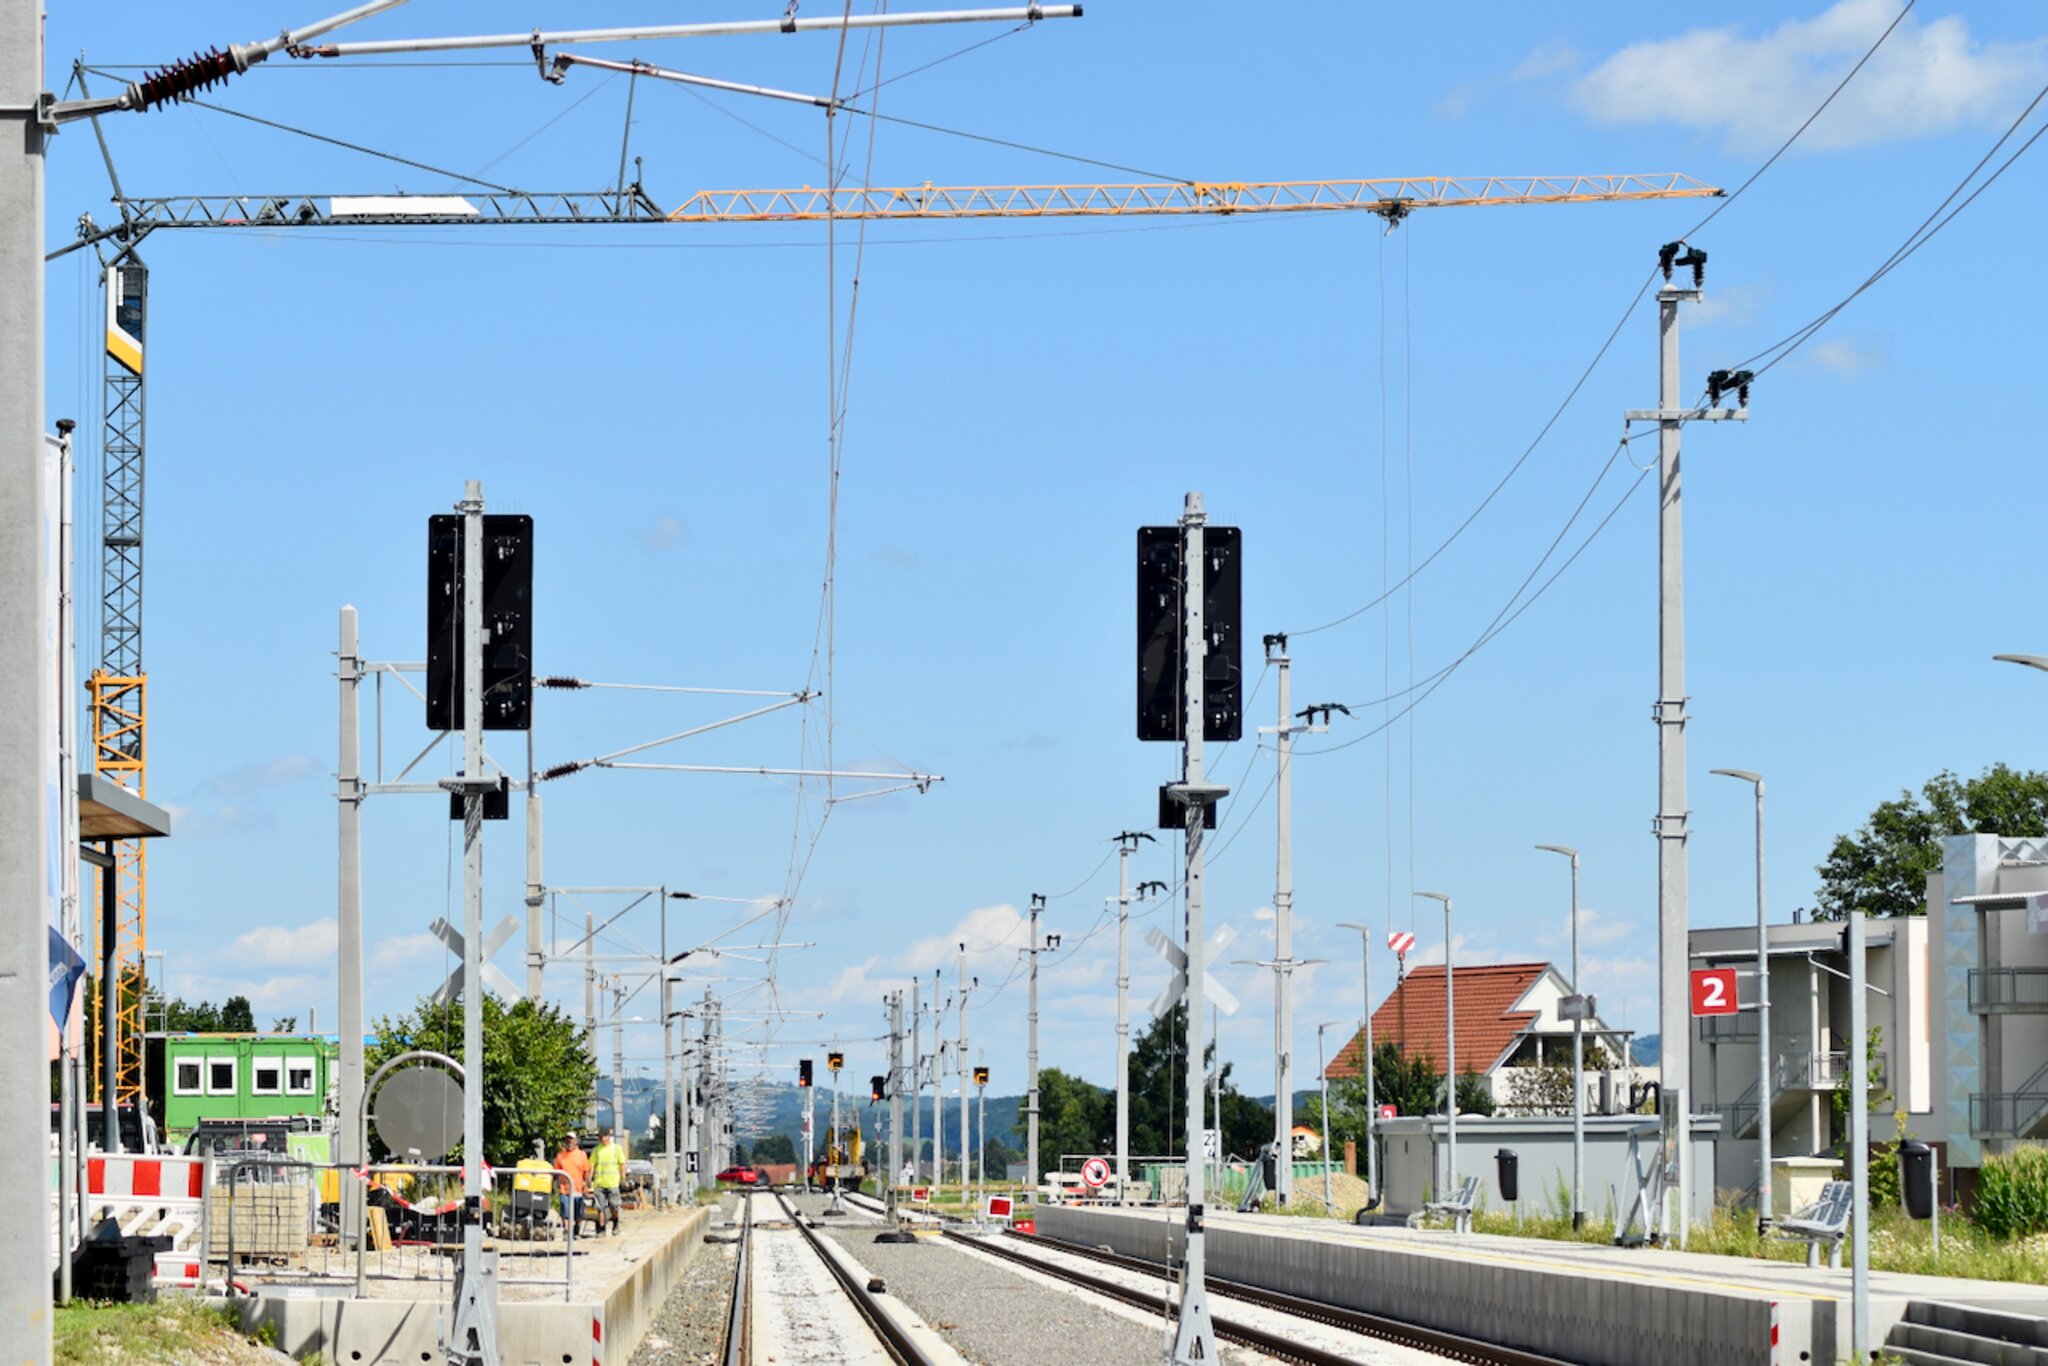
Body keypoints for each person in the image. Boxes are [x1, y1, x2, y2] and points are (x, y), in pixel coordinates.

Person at [554, 1132, 592, 1235]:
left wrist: (587, 1185)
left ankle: (577, 1227)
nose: (569, 1142)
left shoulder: (581, 1155)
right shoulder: (560, 1156)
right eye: (567, 1140)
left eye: (571, 1140)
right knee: (565, 1210)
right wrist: (557, 1185)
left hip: (578, 1189)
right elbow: (556, 1171)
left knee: (578, 1212)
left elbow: (586, 1171)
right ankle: (566, 1229)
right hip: (564, 1189)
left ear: (575, 1142)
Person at [590, 1128, 625, 1235]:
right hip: (599, 1183)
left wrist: (623, 1179)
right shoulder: (596, 1150)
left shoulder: (616, 1149)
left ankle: (615, 1222)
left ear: (608, 1137)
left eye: (603, 1137)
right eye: (600, 1137)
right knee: (600, 1208)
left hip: (612, 1183)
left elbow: (622, 1164)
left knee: (614, 1206)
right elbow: (592, 1165)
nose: (601, 1139)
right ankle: (601, 1228)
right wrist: (589, 1179)